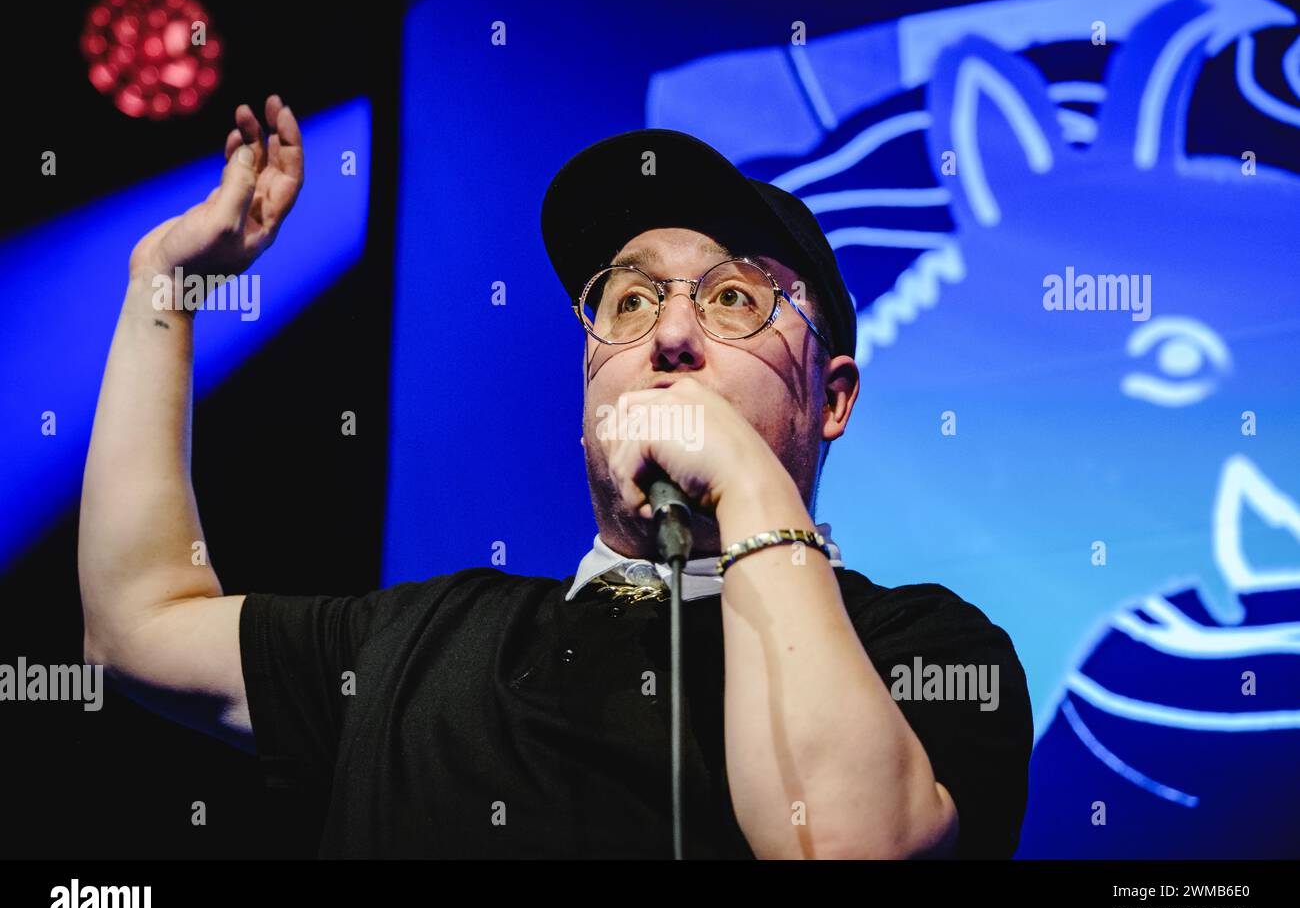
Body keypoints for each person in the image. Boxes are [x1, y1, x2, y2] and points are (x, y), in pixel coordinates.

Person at [79, 95, 1033, 859]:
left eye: (735, 297)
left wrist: (742, 479)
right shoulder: (422, 640)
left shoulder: (919, 650)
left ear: (831, 402)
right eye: (627, 298)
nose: (668, 334)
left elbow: (846, 846)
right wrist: (162, 290)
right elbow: (138, 623)